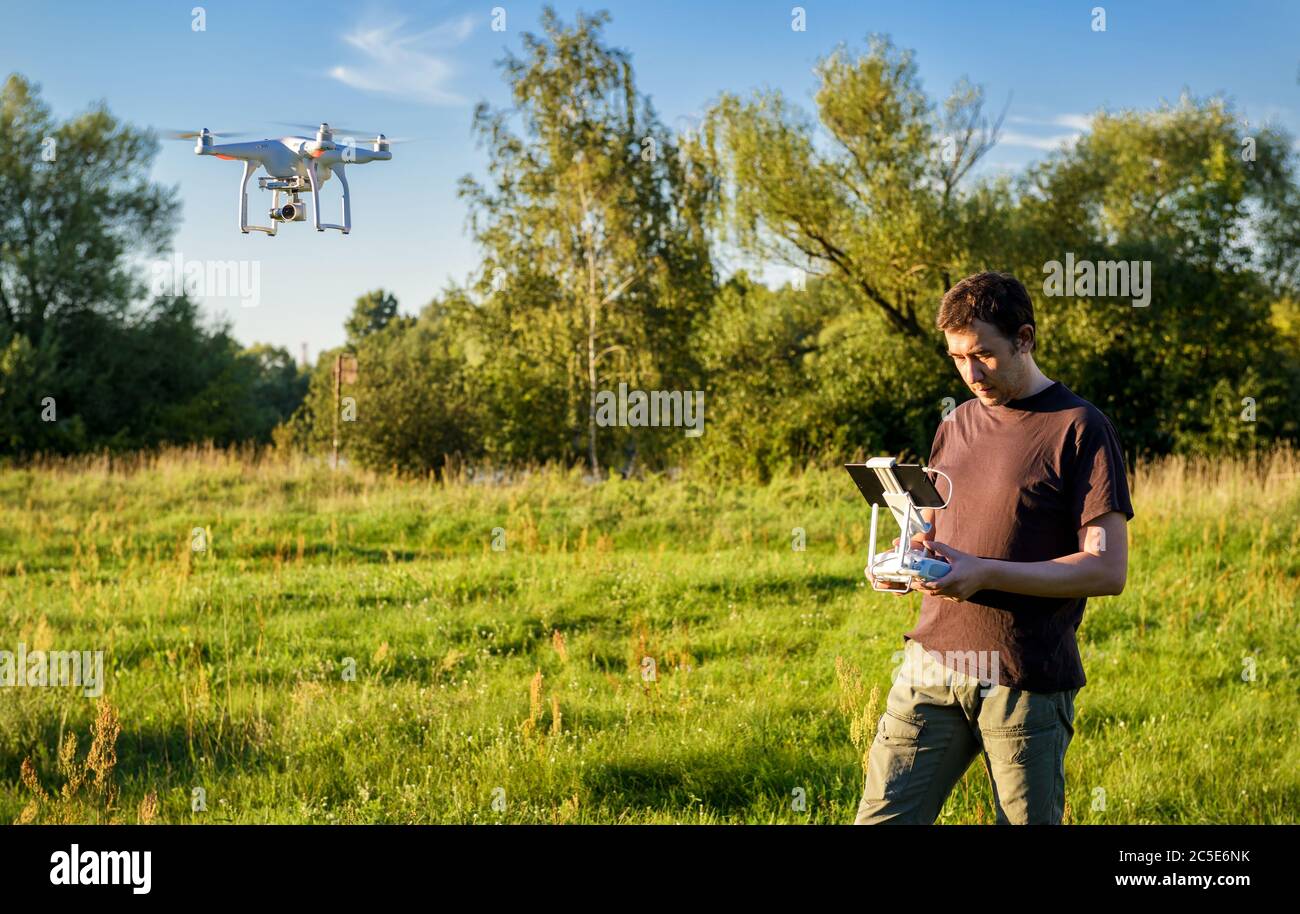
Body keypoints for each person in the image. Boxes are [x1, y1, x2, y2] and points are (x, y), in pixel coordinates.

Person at [854, 271, 1134, 825]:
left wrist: (983, 572)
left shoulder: (1079, 428)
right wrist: (910, 556)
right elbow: (935, 532)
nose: (970, 372)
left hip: (1023, 679)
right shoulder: (954, 423)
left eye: (983, 354)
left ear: (1024, 338)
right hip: (931, 664)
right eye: (957, 357)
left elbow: (1106, 570)